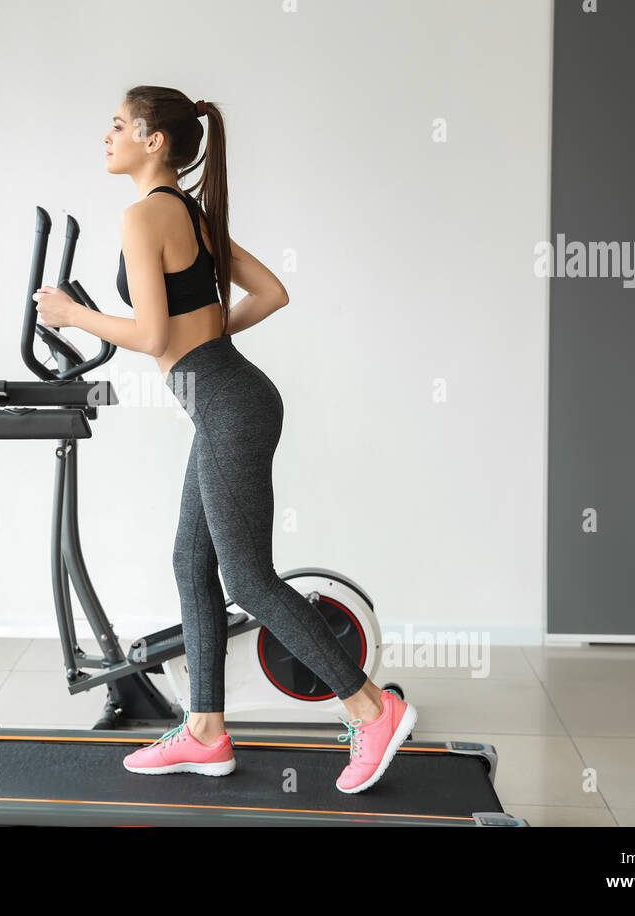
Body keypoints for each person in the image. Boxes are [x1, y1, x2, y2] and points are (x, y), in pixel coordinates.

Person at [31, 85, 417, 794]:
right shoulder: (192, 214)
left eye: (119, 125)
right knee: (190, 560)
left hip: (228, 405)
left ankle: (372, 709)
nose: (107, 135)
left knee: (247, 578)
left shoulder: (145, 215)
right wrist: (203, 342)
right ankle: (206, 731)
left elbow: (150, 335)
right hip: (228, 399)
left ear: (154, 142)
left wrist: (74, 314)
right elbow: (271, 292)